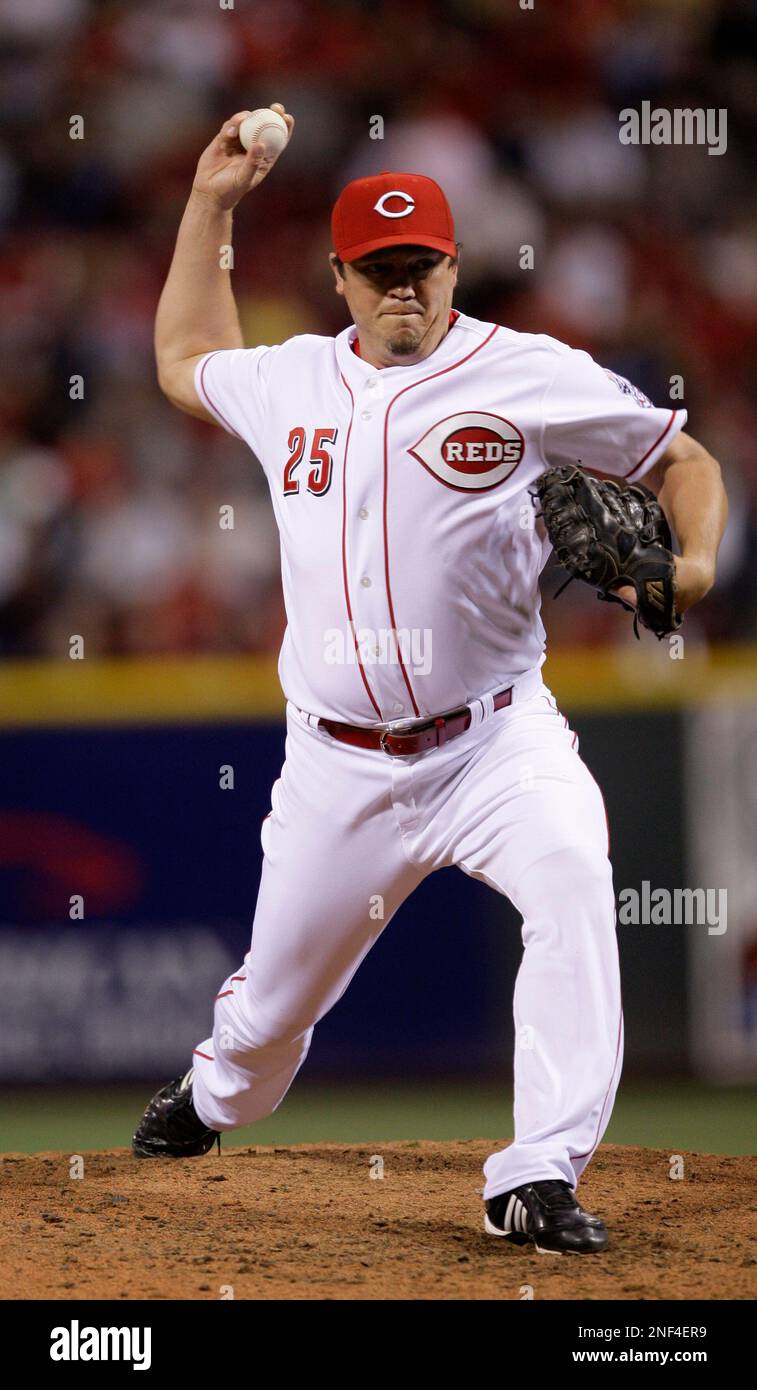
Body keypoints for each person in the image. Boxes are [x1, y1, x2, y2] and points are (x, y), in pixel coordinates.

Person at [132, 104, 727, 1255]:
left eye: (423, 265)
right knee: (264, 1027)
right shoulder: (291, 379)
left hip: (496, 740)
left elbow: (683, 459)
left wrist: (690, 565)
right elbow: (179, 360)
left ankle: (535, 1174)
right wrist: (211, 204)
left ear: (455, 265)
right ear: (341, 275)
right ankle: (211, 1099)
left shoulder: (532, 374)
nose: (404, 286)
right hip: (337, 765)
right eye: (381, 268)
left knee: (569, 876)